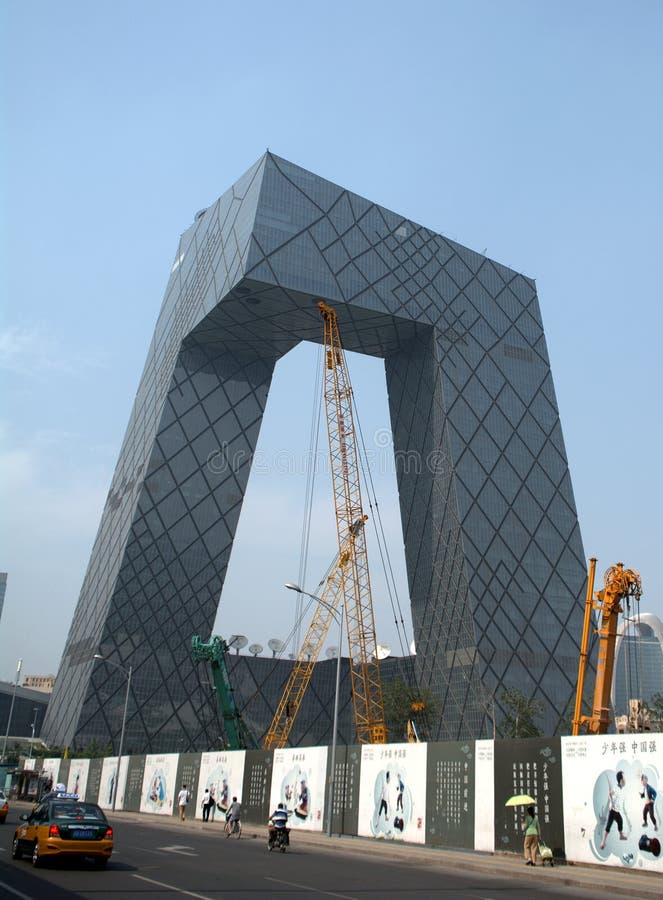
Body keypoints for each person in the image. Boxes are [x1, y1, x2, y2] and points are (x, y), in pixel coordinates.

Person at [599, 770, 629, 849]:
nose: (625, 780)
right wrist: (611, 803)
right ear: (621, 780)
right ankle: (603, 842)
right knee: (608, 825)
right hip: (612, 810)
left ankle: (621, 835)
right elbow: (609, 794)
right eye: (624, 778)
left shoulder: (622, 789)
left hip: (617, 810)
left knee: (620, 821)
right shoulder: (616, 788)